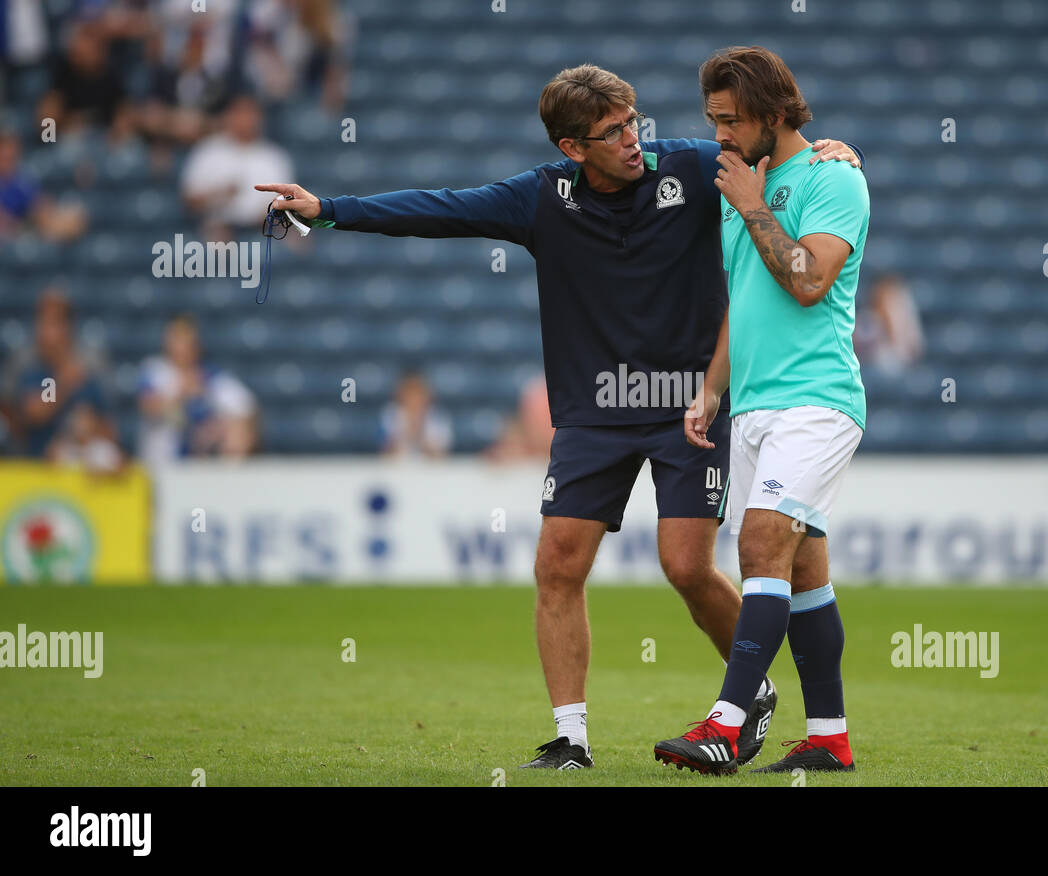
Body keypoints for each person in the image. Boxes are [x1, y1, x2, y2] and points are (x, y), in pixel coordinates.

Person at [254, 63, 862, 770]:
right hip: (594, 412)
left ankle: (749, 695)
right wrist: (329, 208)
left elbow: (772, 151)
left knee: (687, 568)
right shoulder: (539, 198)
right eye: (612, 133)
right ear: (573, 148)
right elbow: (441, 209)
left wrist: (833, 147)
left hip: (684, 408)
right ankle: (571, 736)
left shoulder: (694, 170)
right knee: (557, 565)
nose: (633, 141)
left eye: (633, 123)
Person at [654, 46, 870, 775]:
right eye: (711, 120)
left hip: (817, 400)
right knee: (802, 571)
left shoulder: (835, 179)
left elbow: (808, 282)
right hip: (753, 405)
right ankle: (830, 736)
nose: (718, 135)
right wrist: (713, 387)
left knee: (759, 546)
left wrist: (752, 204)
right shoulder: (741, 183)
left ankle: (726, 722)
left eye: (730, 121)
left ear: (775, 116)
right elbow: (746, 298)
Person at [137, 314, 257, 465]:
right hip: (161, 463)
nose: (182, 346)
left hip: (197, 460)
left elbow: (247, 408)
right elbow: (148, 406)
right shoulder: (155, 370)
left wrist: (215, 429)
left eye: (187, 338)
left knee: (238, 432)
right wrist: (181, 394)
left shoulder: (211, 377)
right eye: (177, 338)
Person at [10, 290, 112, 459]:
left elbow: (109, 429)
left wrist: (90, 429)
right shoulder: (31, 370)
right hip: (34, 468)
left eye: (52, 324)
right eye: (41, 323)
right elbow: (32, 414)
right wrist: (65, 383)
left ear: (68, 328)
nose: (44, 332)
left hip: (76, 470)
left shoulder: (88, 375)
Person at [181, 94, 293, 241]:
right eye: (239, 113)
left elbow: (287, 202)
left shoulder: (274, 157)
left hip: (261, 230)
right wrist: (219, 194)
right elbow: (189, 200)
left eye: (250, 113)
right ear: (228, 116)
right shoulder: (208, 151)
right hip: (216, 228)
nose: (245, 119)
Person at [854, 273, 924, 376]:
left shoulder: (906, 319)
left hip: (902, 372)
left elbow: (916, 349)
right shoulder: (867, 321)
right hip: (871, 375)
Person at [381, 371, 454, 458]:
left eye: (418, 393)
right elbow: (385, 453)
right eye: (409, 393)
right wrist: (407, 431)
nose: (414, 398)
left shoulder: (439, 415)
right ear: (400, 394)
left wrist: (419, 430)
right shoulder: (390, 414)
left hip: (431, 468)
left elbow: (441, 455)